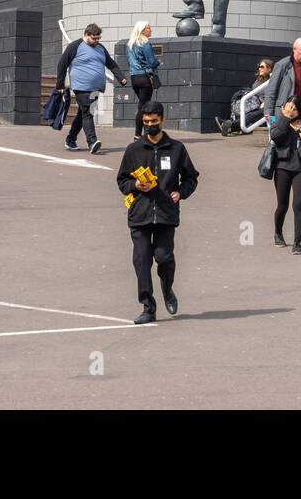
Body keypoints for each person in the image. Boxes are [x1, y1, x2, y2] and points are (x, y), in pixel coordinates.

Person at [115, 102, 199, 324]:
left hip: (165, 214)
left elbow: (191, 177)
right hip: (139, 214)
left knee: (164, 257)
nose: (150, 126)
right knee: (141, 260)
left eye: (153, 122)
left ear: (162, 120)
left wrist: (180, 193)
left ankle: (167, 288)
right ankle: (148, 307)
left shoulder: (176, 148)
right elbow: (122, 180)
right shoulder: (133, 150)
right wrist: (135, 185)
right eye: (146, 123)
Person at [55, 23, 127, 154]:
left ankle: (70, 139)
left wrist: (120, 77)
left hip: (96, 87)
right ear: (86, 35)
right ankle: (92, 142)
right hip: (81, 86)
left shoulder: (100, 48)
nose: (97, 41)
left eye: (98, 38)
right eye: (94, 38)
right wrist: (59, 85)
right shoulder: (74, 47)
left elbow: (111, 63)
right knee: (88, 112)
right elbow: (62, 65)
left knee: (84, 113)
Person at [269, 96, 301, 255]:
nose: (291, 111)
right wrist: (285, 118)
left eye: (295, 109)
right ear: (284, 107)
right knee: (282, 205)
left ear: (300, 111)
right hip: (282, 167)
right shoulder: (279, 122)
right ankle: (278, 233)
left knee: (298, 206)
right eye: (288, 107)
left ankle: (297, 243)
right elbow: (276, 137)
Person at [264, 38, 301, 127]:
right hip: (283, 112)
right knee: (279, 138)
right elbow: (271, 90)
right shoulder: (282, 65)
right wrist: (269, 112)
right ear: (294, 49)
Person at [215, 58, 273, 135]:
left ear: (269, 69)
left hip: (273, 114)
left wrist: (267, 102)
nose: (259, 69)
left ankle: (229, 125)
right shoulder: (257, 82)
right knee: (248, 110)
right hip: (258, 107)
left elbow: (278, 95)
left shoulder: (273, 81)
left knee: (255, 113)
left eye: (262, 67)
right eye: (259, 67)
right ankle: (230, 127)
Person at [125, 20, 162, 141]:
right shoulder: (145, 43)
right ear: (142, 30)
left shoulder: (130, 44)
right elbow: (151, 62)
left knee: (143, 106)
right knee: (143, 107)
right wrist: (158, 62)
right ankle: (138, 135)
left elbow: (129, 62)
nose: (151, 30)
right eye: (148, 28)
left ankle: (145, 132)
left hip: (134, 78)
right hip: (145, 78)